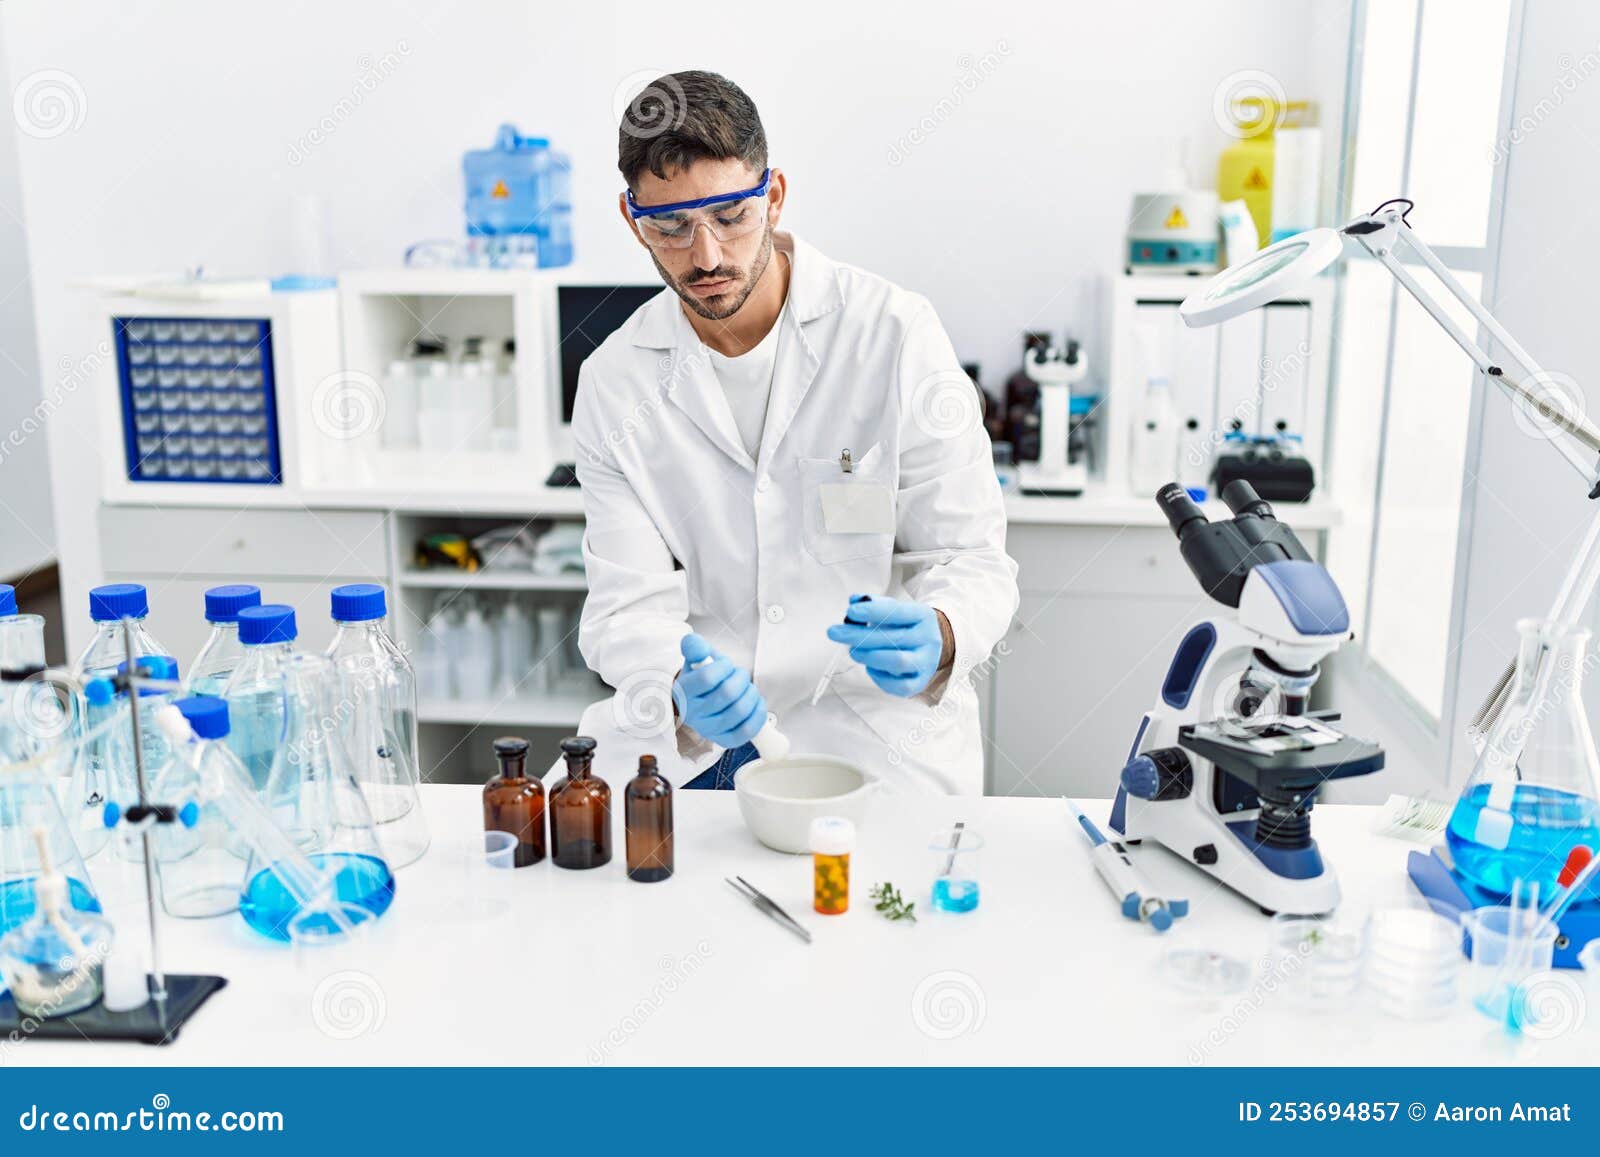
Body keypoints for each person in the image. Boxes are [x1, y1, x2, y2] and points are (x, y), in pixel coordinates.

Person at [572, 70, 1017, 794]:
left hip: (874, 727)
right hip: (703, 738)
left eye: (731, 215)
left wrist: (941, 631)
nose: (707, 255)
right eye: (671, 227)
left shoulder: (894, 334)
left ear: (773, 196)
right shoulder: (614, 382)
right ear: (632, 220)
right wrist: (678, 682)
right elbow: (625, 606)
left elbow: (972, 557)